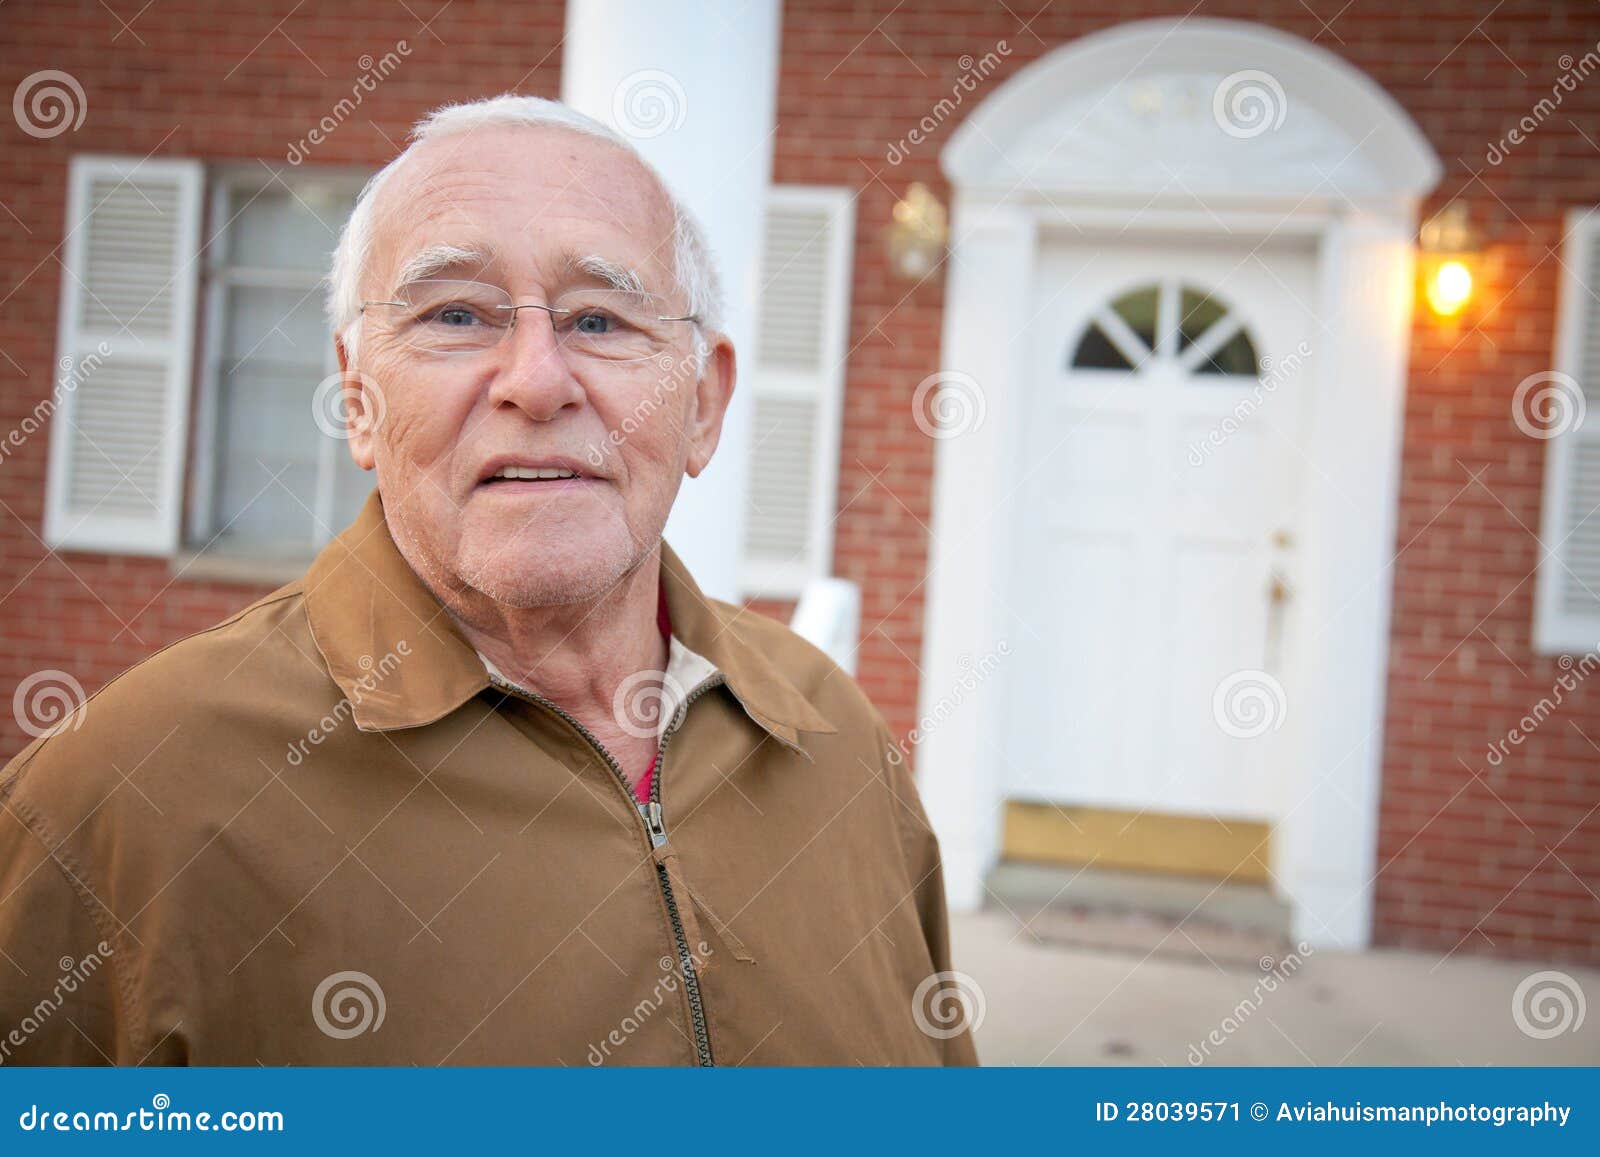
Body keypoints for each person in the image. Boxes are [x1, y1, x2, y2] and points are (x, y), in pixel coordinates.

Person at [0, 94, 977, 1067]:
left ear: (704, 405)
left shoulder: (834, 738)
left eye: (599, 317)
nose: (537, 380)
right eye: (456, 314)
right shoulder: (131, 790)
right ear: (358, 396)